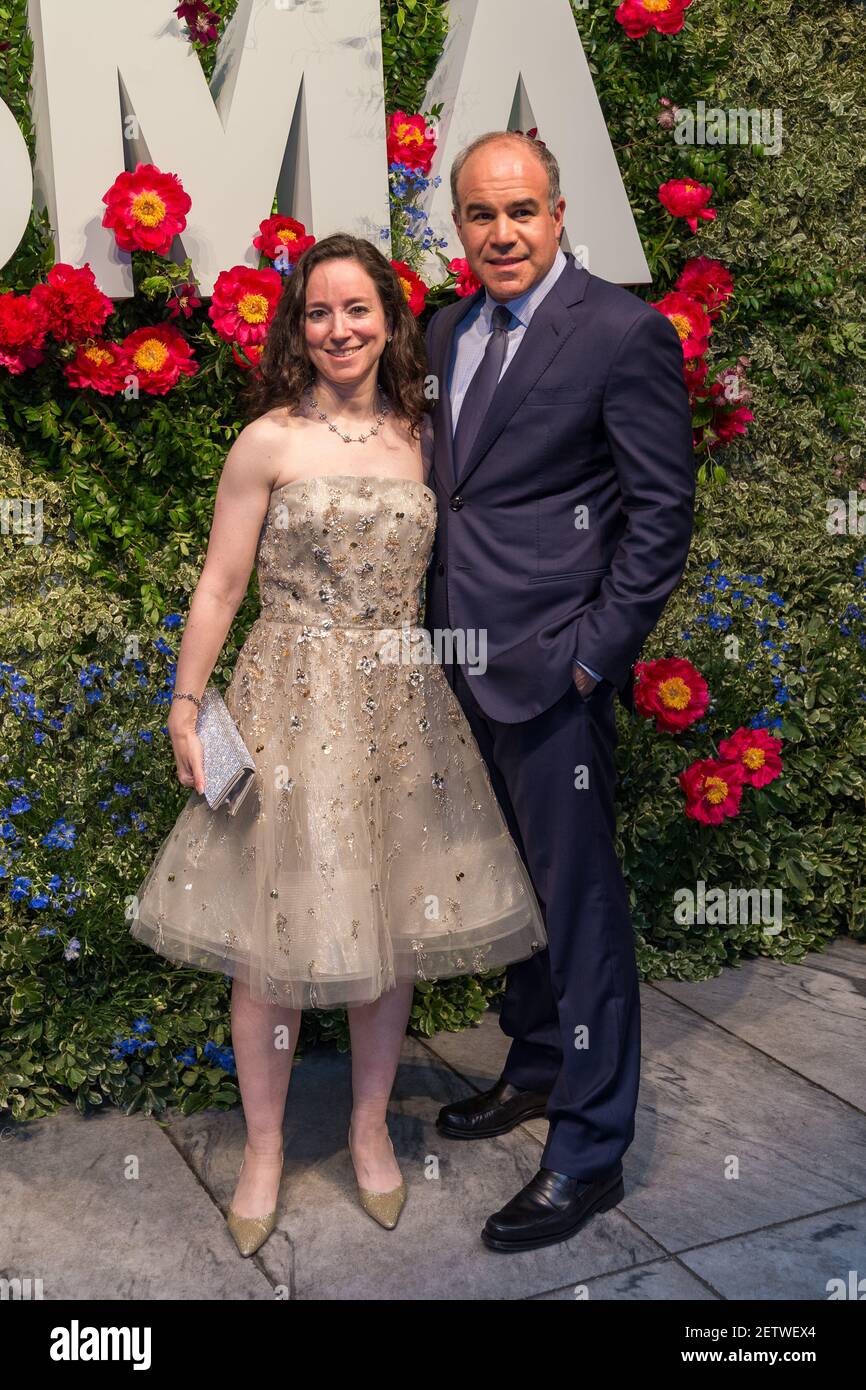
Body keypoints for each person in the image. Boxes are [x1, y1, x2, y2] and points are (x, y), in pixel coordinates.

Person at [129, 232, 547, 1256]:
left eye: (357, 309)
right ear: (297, 325)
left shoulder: (425, 438)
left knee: (386, 928)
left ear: (389, 321)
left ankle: (368, 1134)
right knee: (268, 946)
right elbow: (221, 584)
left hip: (401, 706)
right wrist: (187, 705)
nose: (338, 329)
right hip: (285, 701)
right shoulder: (266, 440)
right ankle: (263, 1149)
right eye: (318, 311)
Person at [424, 131, 695, 1252]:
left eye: (520, 211)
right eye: (480, 216)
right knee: (517, 897)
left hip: (554, 672)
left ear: (557, 210)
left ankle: (588, 1149)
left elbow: (658, 514)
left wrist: (593, 654)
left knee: (578, 912)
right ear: (458, 225)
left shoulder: (621, 332)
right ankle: (536, 1068)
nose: (500, 233)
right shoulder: (446, 332)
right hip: (459, 662)